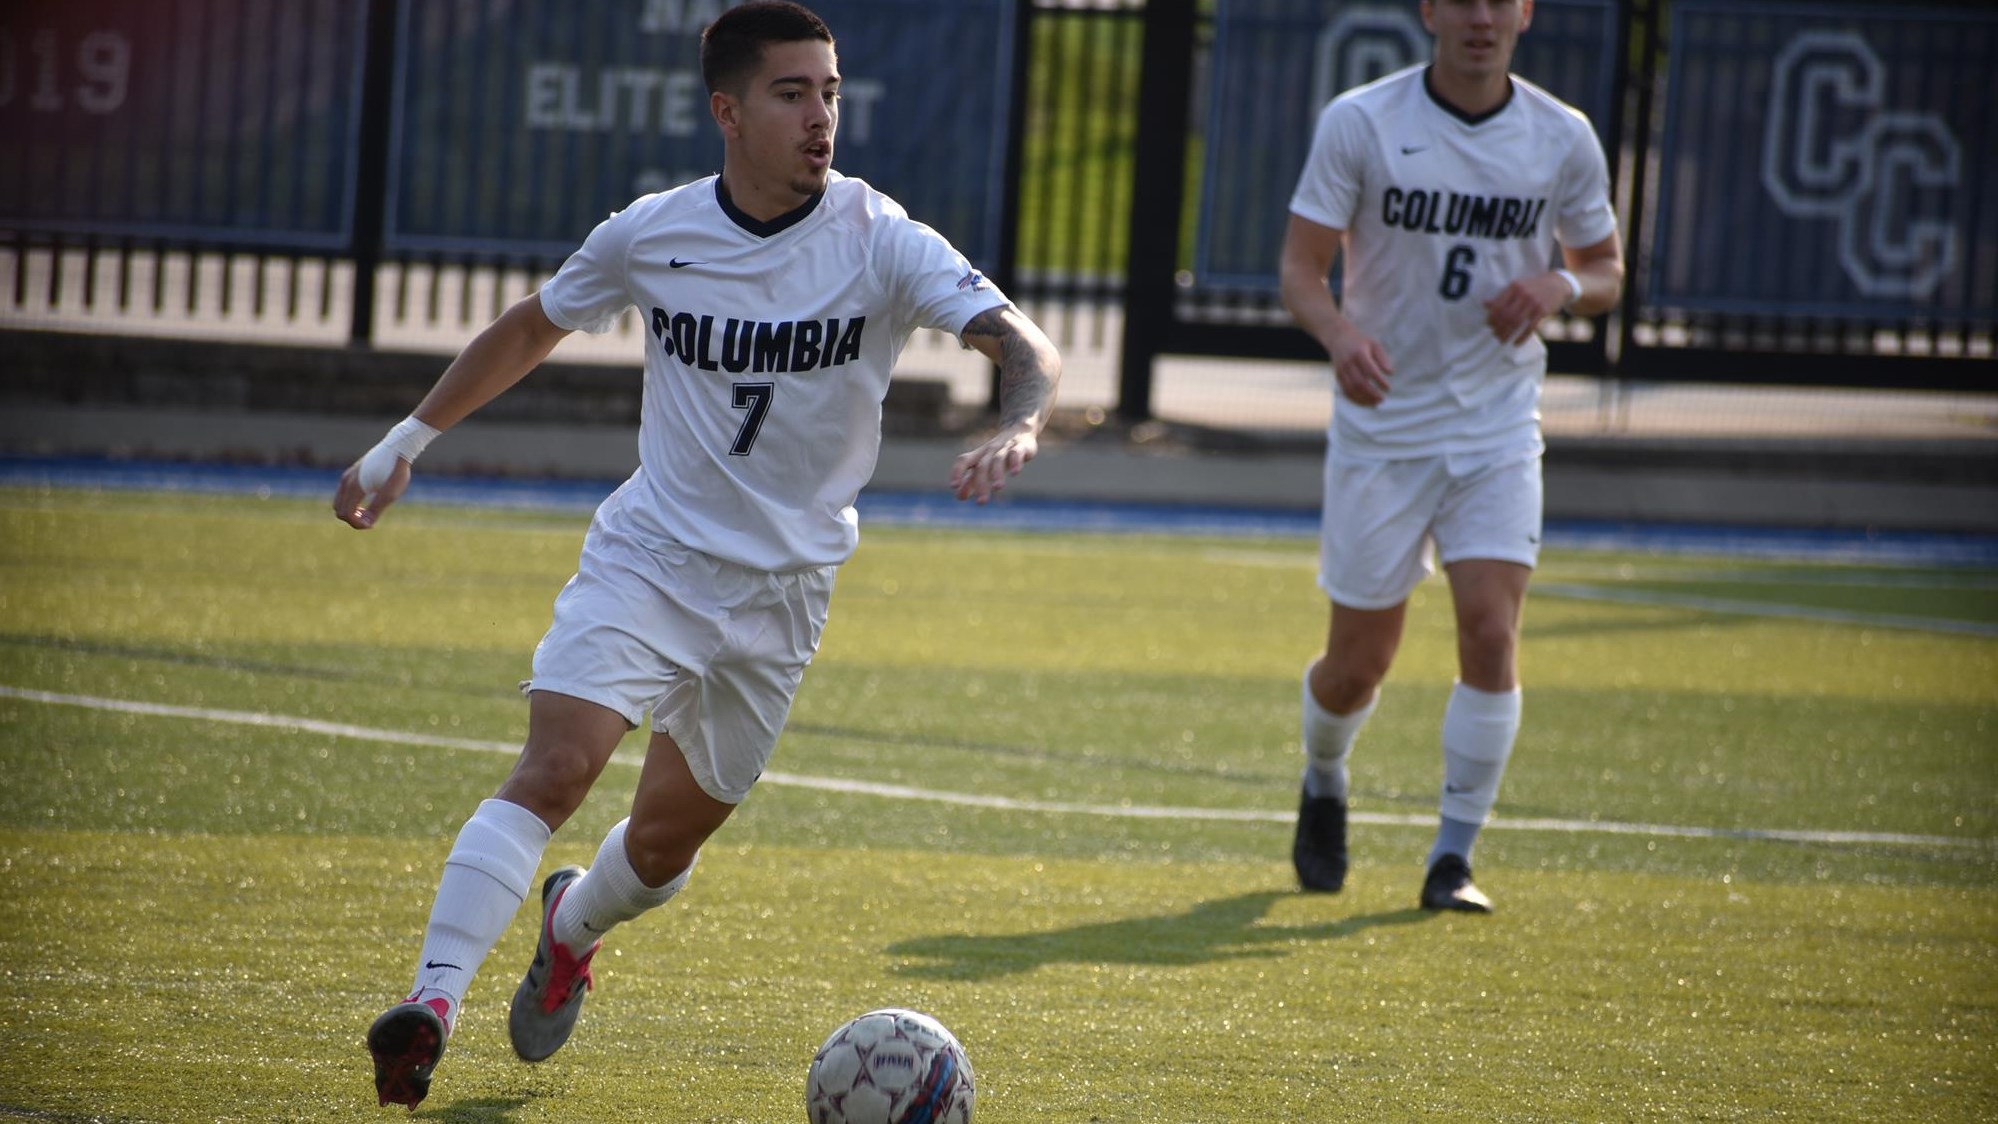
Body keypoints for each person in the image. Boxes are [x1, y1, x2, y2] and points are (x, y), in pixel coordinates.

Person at [341, 2, 1061, 1108]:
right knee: (558, 765)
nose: (821, 116)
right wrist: (406, 440)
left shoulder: (880, 235)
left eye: (829, 91)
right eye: (792, 94)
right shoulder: (653, 231)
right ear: (728, 111)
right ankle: (429, 1002)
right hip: (653, 556)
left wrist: (1019, 419)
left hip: (785, 591)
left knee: (667, 846)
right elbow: (533, 325)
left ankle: (571, 925)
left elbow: (1019, 342)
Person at [1277, 0, 1623, 912]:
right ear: (1429, 10)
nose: (1480, 16)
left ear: (1525, 12)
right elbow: (1301, 270)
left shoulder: (1563, 136)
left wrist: (1562, 282)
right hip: (1384, 429)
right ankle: (1324, 776)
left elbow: (1607, 271)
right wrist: (1341, 336)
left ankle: (1452, 857)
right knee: (1357, 666)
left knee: (1490, 628)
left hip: (1497, 426)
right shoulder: (1363, 122)